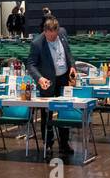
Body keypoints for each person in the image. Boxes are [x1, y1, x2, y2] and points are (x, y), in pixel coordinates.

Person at [26, 16, 77, 161]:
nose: (53, 38)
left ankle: (64, 143)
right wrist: (40, 78)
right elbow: (30, 64)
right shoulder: (37, 43)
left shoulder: (63, 33)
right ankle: (48, 143)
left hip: (63, 79)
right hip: (47, 81)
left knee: (64, 111)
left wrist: (72, 66)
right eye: (50, 36)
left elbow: (69, 53)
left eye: (55, 35)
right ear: (45, 31)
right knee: (46, 114)